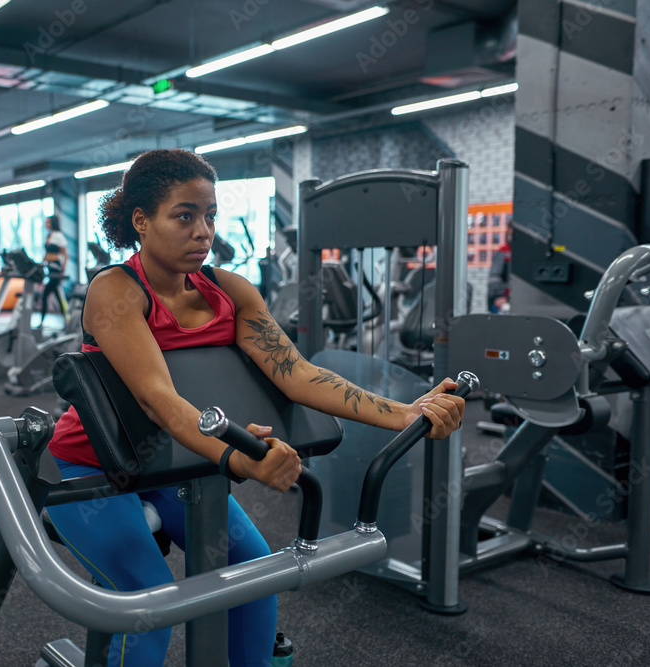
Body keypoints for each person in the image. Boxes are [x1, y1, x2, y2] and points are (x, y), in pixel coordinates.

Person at [46, 149, 466, 666]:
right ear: (141, 221)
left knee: (253, 572)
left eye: (210, 215)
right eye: (185, 215)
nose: (204, 231)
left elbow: (299, 374)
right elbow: (159, 403)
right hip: (93, 470)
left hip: (180, 463)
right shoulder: (115, 291)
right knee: (147, 604)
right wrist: (241, 460)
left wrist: (404, 411)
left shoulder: (230, 290)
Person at [39, 214, 69, 326]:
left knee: (45, 294)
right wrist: (41, 264)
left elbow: (65, 255)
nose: (46, 224)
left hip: (56, 268)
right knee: (58, 295)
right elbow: (47, 254)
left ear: (53, 223)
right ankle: (67, 319)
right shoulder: (49, 236)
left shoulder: (58, 236)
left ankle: (42, 321)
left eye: (48, 222)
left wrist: (63, 270)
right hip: (49, 268)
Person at [487, 220, 512, 313]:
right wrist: (500, 297)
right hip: (502, 300)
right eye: (510, 233)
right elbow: (494, 277)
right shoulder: (504, 251)